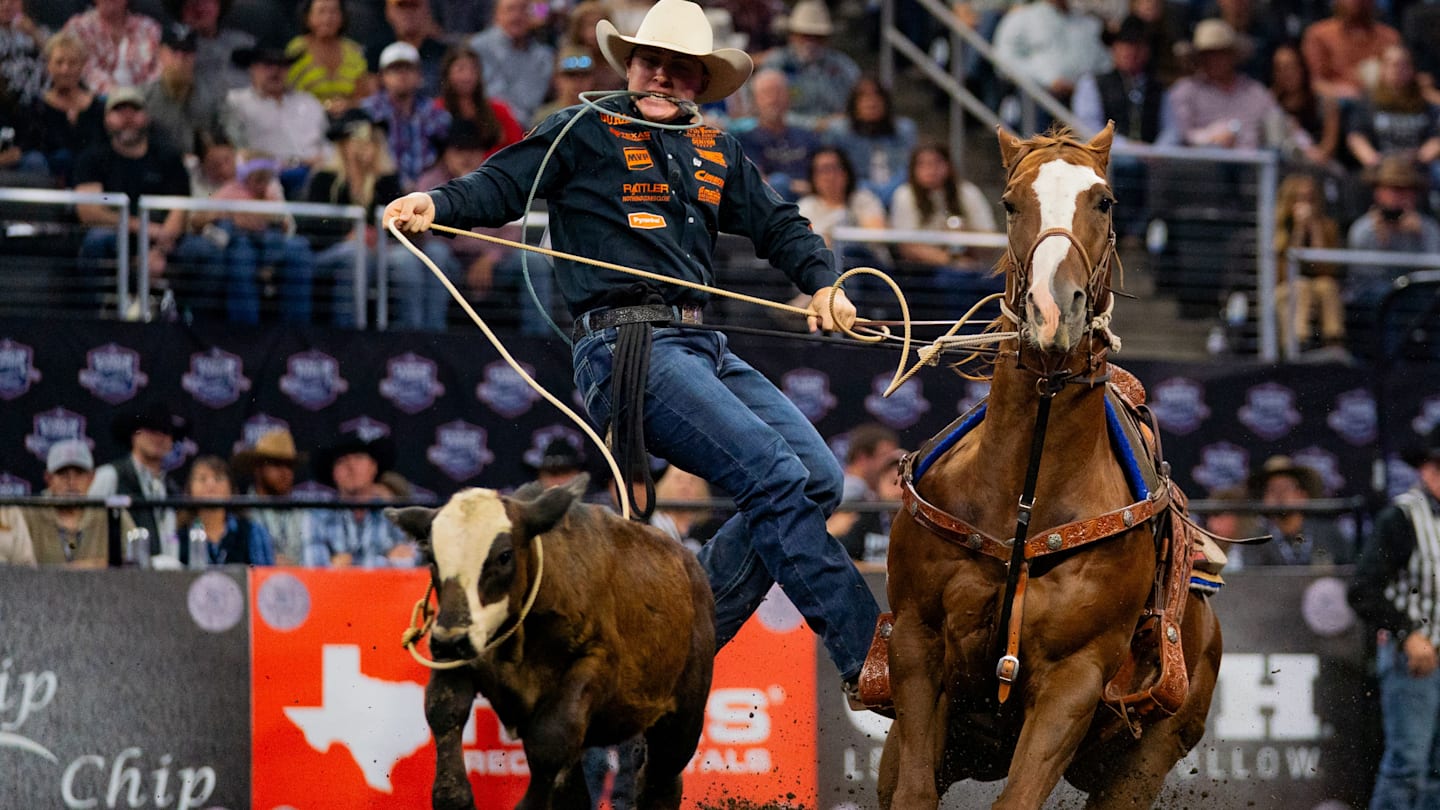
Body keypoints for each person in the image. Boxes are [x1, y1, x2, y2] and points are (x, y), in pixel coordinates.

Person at [385, 0, 882, 706]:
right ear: (631, 63)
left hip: (698, 341)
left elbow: (780, 225)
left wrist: (825, 283)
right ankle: (869, 656)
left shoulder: (719, 150)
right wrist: (435, 203)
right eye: (651, 62)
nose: (661, 76)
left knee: (817, 479)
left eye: (679, 69)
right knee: (775, 475)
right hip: (623, 345)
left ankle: (676, 634)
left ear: (697, 82)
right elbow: (501, 183)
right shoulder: (581, 130)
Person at [1349, 426, 1440, 810]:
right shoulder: (1402, 518)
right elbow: (1363, 589)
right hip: (1414, 661)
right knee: (1408, 765)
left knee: (1433, 772)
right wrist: (1407, 632)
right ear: (1429, 471)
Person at [73, 87, 223, 315]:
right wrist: (145, 229)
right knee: (96, 240)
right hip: (119, 235)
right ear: (106, 119)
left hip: (166, 239)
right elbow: (90, 211)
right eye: (119, 111)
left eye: (134, 110)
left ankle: (196, 327)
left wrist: (159, 250)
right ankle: (97, 318)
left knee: (205, 251)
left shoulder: (168, 157)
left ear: (147, 116)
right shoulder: (92, 159)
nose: (128, 118)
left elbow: (179, 209)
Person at [301, 107, 440, 329]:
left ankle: (411, 336)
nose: (365, 146)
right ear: (344, 144)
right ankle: (348, 335)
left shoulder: (387, 179)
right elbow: (310, 226)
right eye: (358, 139)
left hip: (380, 251)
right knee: (356, 255)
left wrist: (382, 235)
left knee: (405, 261)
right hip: (333, 251)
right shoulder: (324, 178)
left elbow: (401, 221)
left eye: (371, 139)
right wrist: (347, 233)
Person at [1072, 15, 1164, 238]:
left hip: (1151, 162)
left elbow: (1170, 128)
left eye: (1138, 45)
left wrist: (1157, 150)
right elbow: (1089, 128)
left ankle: (1147, 234)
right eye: (1125, 44)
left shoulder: (1158, 88)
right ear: (1114, 48)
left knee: (1163, 176)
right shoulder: (1092, 83)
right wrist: (1131, 148)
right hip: (1111, 159)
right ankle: (1121, 232)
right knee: (1124, 169)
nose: (1131, 51)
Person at [888, 142, 1001, 320]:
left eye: (936, 163)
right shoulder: (905, 195)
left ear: (948, 165)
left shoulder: (967, 192)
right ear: (913, 169)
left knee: (1001, 284)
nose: (930, 170)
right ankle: (962, 338)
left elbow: (991, 241)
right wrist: (952, 261)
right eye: (923, 164)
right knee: (956, 281)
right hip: (923, 273)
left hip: (971, 267)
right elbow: (908, 247)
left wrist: (966, 233)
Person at [209, 152, 315, 323]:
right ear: (246, 176)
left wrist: (268, 215)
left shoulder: (272, 191)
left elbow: (286, 225)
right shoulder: (230, 190)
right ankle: (246, 333)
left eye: (266, 178)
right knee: (241, 254)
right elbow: (198, 217)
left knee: (299, 248)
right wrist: (233, 215)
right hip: (242, 246)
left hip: (271, 245)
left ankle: (297, 332)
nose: (262, 183)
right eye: (258, 178)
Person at [222, 42, 330, 196]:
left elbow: (325, 142)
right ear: (252, 68)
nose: (275, 71)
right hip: (263, 176)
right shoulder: (236, 102)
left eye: (281, 65)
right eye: (267, 65)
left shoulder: (308, 101)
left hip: (312, 174)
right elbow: (235, 147)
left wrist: (323, 161)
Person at [1157, 19, 1282, 150]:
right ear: (1198, 57)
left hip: (1251, 165)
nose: (1212, 60)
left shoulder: (1255, 91)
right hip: (1200, 166)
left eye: (1219, 53)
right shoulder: (1185, 91)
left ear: (1233, 55)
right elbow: (1177, 135)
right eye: (1206, 54)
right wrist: (1209, 138)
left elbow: (1278, 125)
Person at [991, 0, 1111, 130]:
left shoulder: (1088, 23)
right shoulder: (1023, 18)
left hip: (1082, 95)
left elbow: (1104, 61)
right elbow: (1003, 60)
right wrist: (1047, 80)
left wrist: (1085, 85)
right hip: (1040, 95)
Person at [300, 430, 413, 567]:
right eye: (341, 461)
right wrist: (385, 560)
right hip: (337, 589)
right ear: (333, 474)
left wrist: (348, 565)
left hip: (386, 588)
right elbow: (315, 568)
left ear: (374, 466)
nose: (350, 466)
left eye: (359, 457)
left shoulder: (394, 514)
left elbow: (410, 561)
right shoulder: (317, 516)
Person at [89, 401, 188, 556]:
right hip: (118, 573)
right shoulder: (111, 475)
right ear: (134, 434)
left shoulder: (171, 488)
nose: (159, 436)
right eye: (151, 429)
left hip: (166, 574)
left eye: (166, 431)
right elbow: (89, 525)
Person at [22, 438, 138, 567]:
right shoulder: (28, 512)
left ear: (91, 478)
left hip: (100, 587)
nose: (71, 482)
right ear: (48, 478)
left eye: (79, 473)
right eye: (62, 473)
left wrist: (94, 565)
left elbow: (136, 561)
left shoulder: (112, 513)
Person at [360, 41, 451, 191]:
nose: (402, 75)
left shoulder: (434, 113)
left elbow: (448, 152)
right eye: (395, 70)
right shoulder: (368, 111)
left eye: (408, 69)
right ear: (382, 76)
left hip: (426, 191)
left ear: (419, 75)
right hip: (382, 190)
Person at [1233, 455, 1352, 566]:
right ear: (1264, 499)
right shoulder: (1255, 540)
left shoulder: (1327, 533)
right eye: (1272, 489)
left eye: (1286, 488)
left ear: (1303, 495)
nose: (1279, 495)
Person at [1273, 172, 1346, 355]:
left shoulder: (1327, 227)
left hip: (1318, 287)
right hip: (1285, 289)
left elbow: (1327, 268)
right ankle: (1297, 344)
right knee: (1301, 286)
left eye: (1310, 199)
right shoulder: (1277, 229)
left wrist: (1315, 231)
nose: (1306, 205)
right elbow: (1281, 274)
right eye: (1299, 199)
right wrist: (1298, 230)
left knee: (1327, 286)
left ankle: (1334, 343)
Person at [1344, 44, 1440, 181]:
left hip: (1419, 166)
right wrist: (1374, 161)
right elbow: (1356, 137)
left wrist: (1419, 158)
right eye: (1391, 64)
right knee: (1355, 181)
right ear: (1382, 68)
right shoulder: (1368, 102)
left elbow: (1436, 139)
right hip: (1380, 165)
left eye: (1403, 64)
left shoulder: (1426, 104)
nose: (1397, 69)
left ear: (1412, 69)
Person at [761, 0, 859, 132]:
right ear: (792, 36)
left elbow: (858, 101)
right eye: (805, 36)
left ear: (827, 39)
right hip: (789, 132)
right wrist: (814, 124)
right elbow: (766, 109)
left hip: (835, 132)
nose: (811, 42)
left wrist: (840, 120)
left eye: (818, 37)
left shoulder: (842, 65)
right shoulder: (777, 63)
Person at [822, 76, 918, 208]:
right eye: (864, 98)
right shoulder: (839, 131)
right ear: (854, 103)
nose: (871, 103)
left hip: (896, 190)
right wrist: (866, 188)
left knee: (905, 196)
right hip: (855, 190)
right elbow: (835, 167)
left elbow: (910, 166)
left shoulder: (904, 129)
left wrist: (889, 189)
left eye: (877, 97)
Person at [33, 31, 106, 186]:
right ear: (49, 66)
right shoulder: (36, 106)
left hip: (92, 183)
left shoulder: (98, 107)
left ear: (82, 66)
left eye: (72, 63)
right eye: (59, 63)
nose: (65, 70)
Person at [734, 69, 819, 201]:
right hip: (771, 207)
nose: (773, 99)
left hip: (813, 203)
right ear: (754, 102)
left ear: (789, 97)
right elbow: (759, 183)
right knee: (778, 182)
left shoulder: (807, 137)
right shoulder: (745, 141)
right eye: (766, 93)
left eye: (779, 92)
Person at [142, 22, 224, 155]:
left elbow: (225, 136)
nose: (180, 59)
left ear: (195, 56)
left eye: (186, 52)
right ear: (161, 53)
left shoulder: (212, 95)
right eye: (174, 52)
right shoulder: (144, 97)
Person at [468, 0, 554, 126]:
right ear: (496, 15)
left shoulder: (544, 56)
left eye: (523, 9)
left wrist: (541, 11)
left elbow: (534, 100)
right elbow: (492, 96)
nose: (516, 16)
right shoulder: (478, 47)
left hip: (532, 128)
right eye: (510, 9)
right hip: (492, 126)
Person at [231, 427, 306, 565]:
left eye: (289, 465)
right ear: (258, 468)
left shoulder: (304, 513)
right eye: (276, 464)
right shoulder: (240, 512)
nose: (285, 472)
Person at [182, 455, 276, 565]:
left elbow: (263, 577)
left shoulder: (253, 531)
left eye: (218, 478)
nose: (211, 484)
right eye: (202, 479)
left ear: (231, 488)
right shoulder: (178, 535)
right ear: (189, 489)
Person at [1300, 0, 1401, 102]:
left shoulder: (1390, 36)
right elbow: (1316, 82)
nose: (1359, 2)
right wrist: (1339, 92)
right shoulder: (1318, 35)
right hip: (1339, 104)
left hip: (1384, 102)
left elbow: (1402, 77)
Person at [436, 45, 523, 161]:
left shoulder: (498, 110)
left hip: (492, 173)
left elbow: (518, 147)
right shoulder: (436, 110)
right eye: (460, 69)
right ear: (447, 74)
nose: (467, 76)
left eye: (473, 70)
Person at [285, 0, 371, 117]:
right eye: (321, 12)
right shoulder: (297, 49)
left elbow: (364, 96)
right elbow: (288, 91)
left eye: (333, 12)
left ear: (342, 17)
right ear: (308, 17)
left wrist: (348, 105)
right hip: (305, 118)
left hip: (347, 120)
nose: (327, 18)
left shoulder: (354, 50)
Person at [60, 0, 162, 95]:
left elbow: (157, 70)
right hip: (95, 101)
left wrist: (139, 97)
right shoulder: (78, 27)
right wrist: (118, 95)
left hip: (144, 101)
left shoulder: (149, 28)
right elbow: (85, 71)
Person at [1269, 42, 1343, 171]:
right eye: (1279, 68)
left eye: (1290, 67)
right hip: (1283, 165)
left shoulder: (1324, 101)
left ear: (1302, 67)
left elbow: (1329, 145)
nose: (1286, 74)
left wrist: (1315, 155)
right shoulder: (1270, 102)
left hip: (1318, 163)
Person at [166, 0, 255, 93]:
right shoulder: (174, 51)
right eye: (189, 3)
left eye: (205, 1)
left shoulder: (243, 42)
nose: (199, 7)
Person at [368, 0, 448, 100]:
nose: (408, 13)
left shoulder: (443, 53)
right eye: (401, 7)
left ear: (427, 11)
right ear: (389, 12)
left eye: (414, 6)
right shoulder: (375, 53)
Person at [0, 0, 49, 108]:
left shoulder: (37, 30)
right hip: (6, 96)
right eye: (1, 2)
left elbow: (57, 56)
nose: (7, 5)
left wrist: (34, 34)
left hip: (40, 95)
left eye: (12, 1)